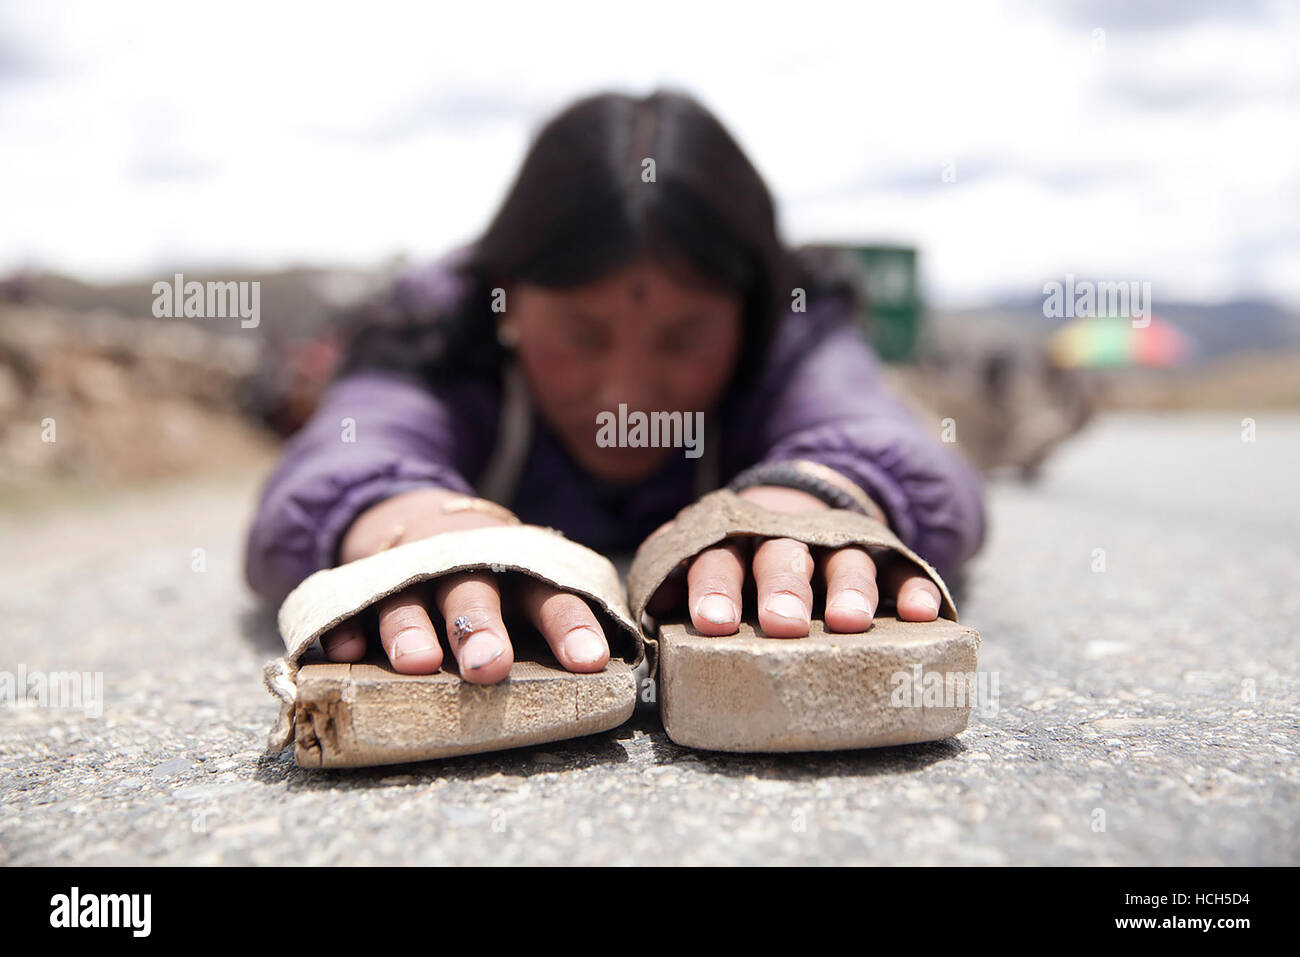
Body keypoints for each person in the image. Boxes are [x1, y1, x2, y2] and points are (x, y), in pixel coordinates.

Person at [244, 90, 986, 686]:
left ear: (751, 313)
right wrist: (399, 522)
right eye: (583, 335)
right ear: (508, 294)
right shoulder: (440, 328)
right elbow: (347, 449)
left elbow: (891, 442)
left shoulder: (795, 332)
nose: (626, 397)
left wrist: (818, 497)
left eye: (684, 338)